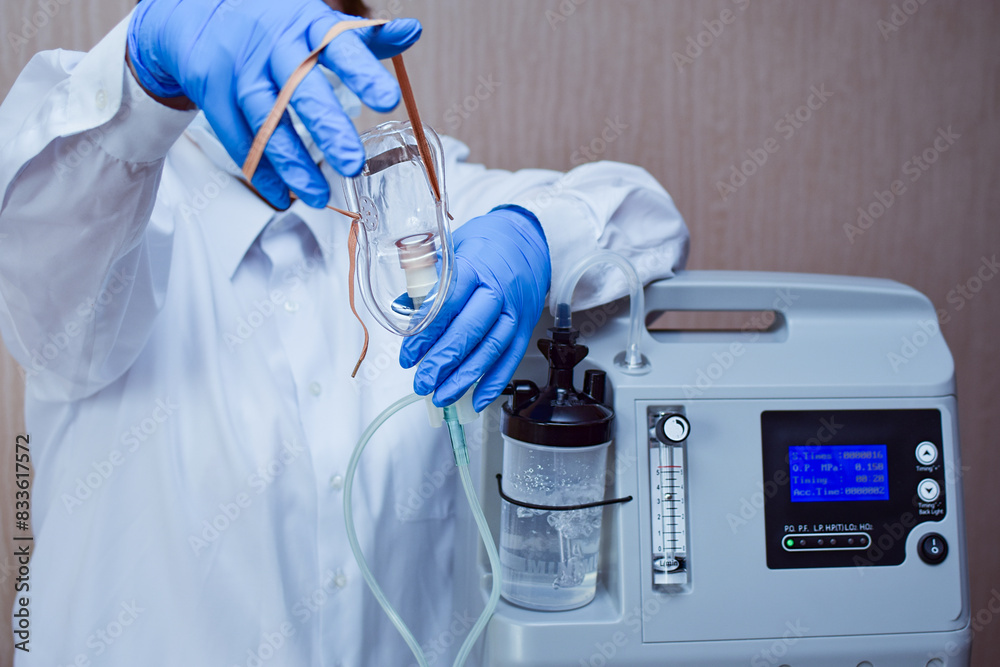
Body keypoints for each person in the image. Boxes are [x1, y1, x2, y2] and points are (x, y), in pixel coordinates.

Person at [0, 0, 688, 664]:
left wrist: (531, 236)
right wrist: (142, 73)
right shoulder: (104, 209)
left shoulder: (414, 201)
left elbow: (646, 217)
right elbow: (39, 227)